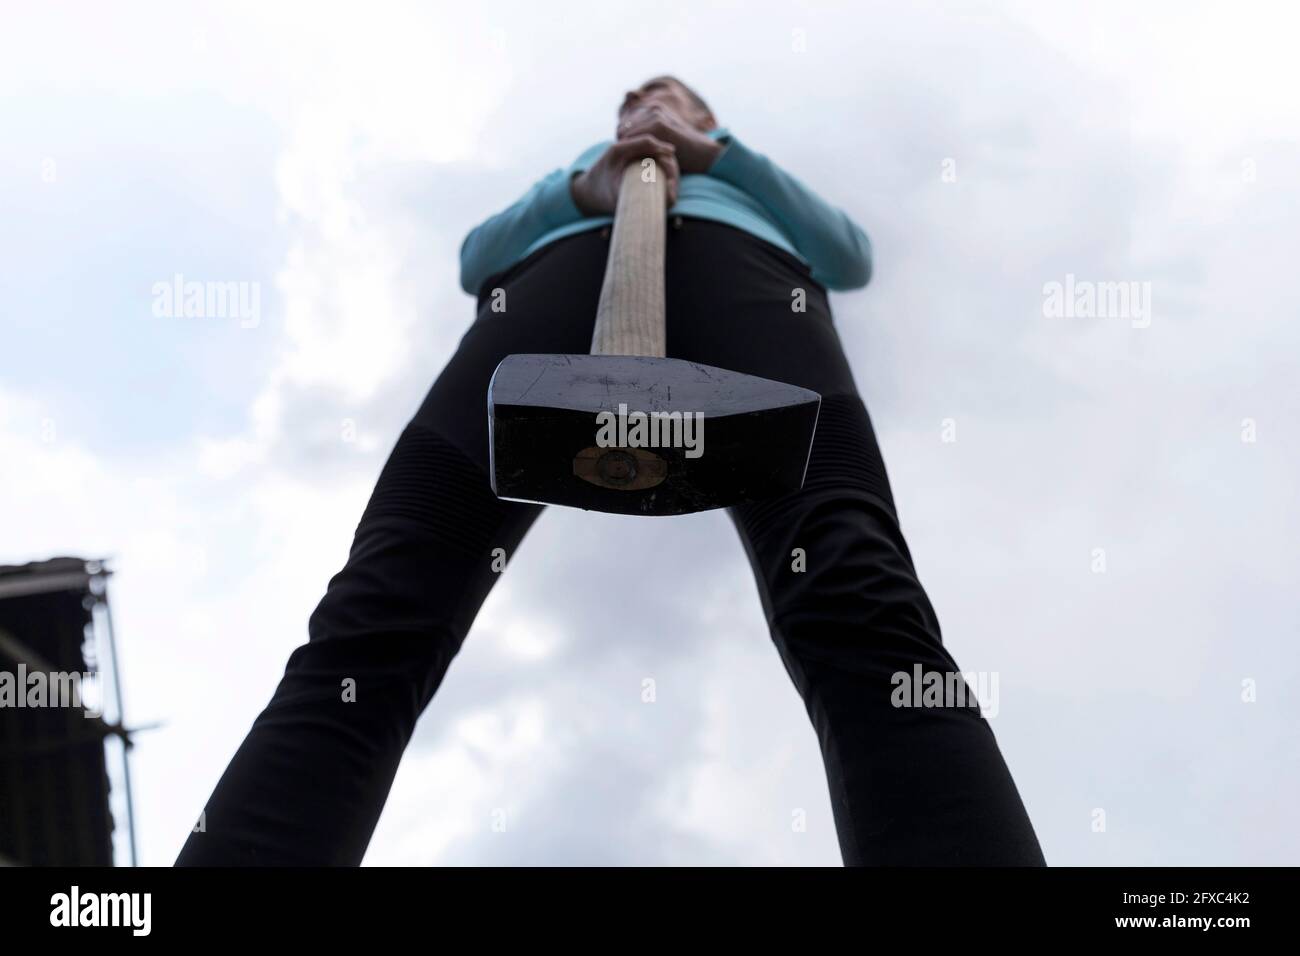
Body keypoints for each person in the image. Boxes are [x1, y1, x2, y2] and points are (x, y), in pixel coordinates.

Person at [177, 76, 1045, 866]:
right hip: (554, 290)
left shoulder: (738, 178)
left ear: (705, 116)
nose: (647, 103)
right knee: (381, 602)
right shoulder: (575, 185)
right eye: (633, 98)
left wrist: (715, 160)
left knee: (854, 582)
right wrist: (585, 185)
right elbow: (475, 261)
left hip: (749, 284)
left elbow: (849, 253)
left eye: (671, 97)